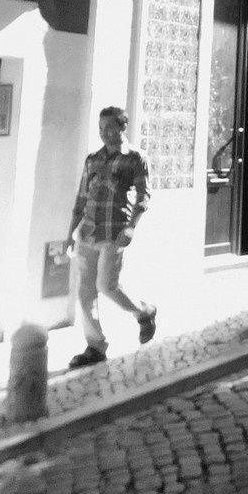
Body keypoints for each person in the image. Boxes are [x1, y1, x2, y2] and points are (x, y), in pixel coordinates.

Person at [67, 106, 155, 369]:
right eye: (101, 128)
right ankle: (95, 346)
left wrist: (131, 227)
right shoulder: (92, 160)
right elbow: (82, 197)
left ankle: (143, 311)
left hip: (114, 232)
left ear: (121, 127)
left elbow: (144, 197)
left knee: (107, 285)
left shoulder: (135, 158)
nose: (104, 133)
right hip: (88, 231)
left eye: (109, 127)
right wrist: (70, 232)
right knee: (85, 291)